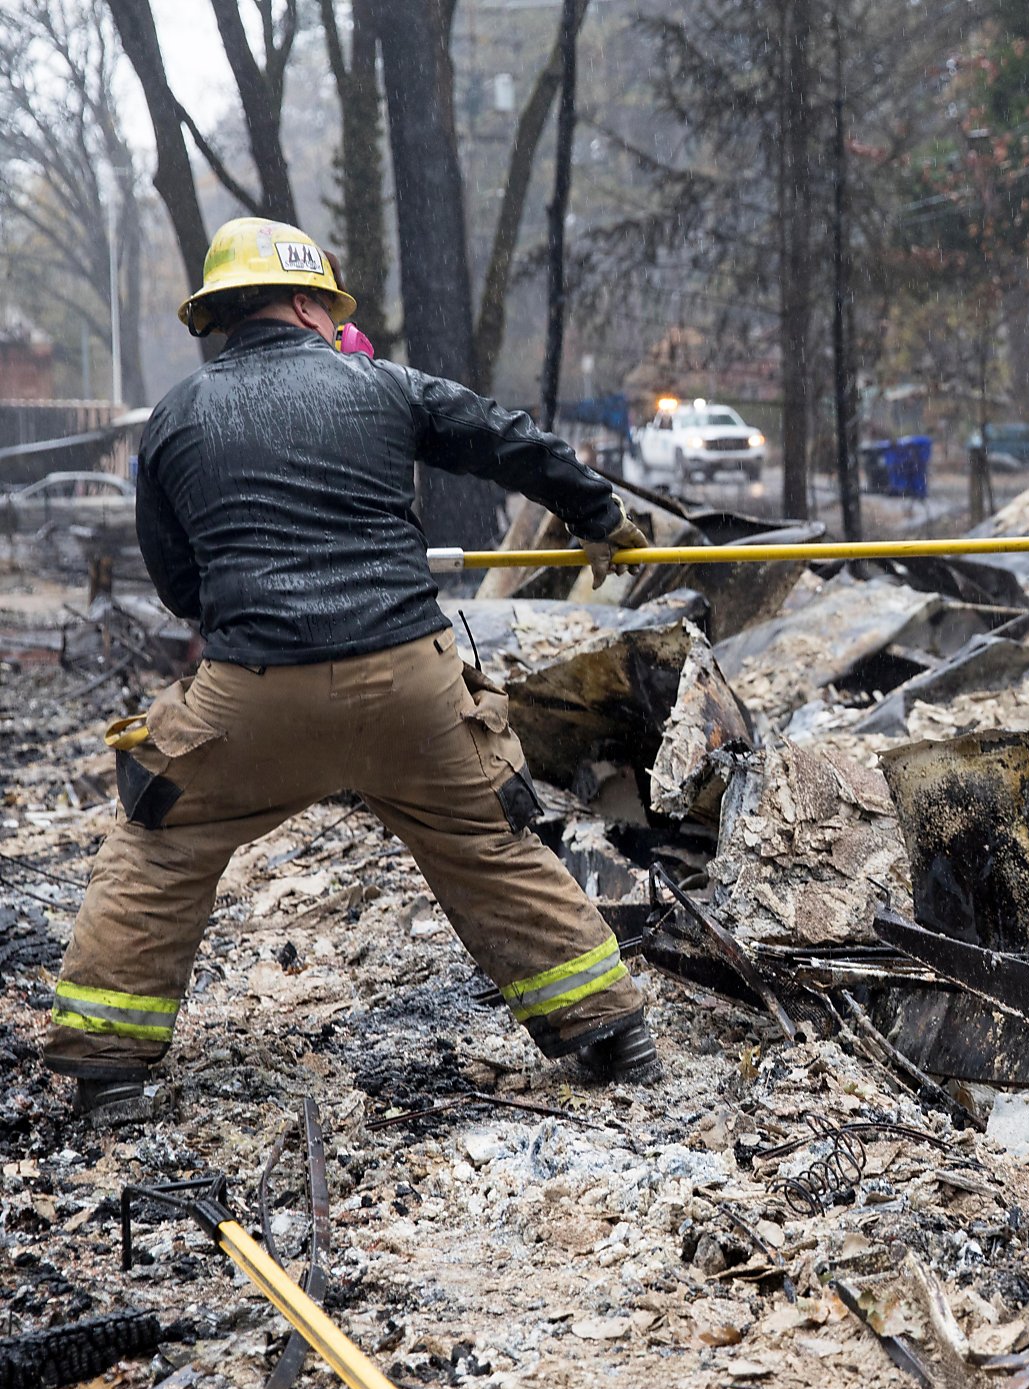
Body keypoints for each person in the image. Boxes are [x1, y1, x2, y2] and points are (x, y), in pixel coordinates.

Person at [46, 218, 658, 1119]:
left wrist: (259, 620)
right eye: (330, 309)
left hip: (254, 700)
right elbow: (506, 438)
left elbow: (179, 582)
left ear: (223, 315)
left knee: (159, 844)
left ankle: (106, 1068)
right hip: (411, 687)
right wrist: (596, 514)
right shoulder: (382, 386)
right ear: (304, 301)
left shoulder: (175, 418)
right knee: (489, 844)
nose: (336, 325)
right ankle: (609, 1031)